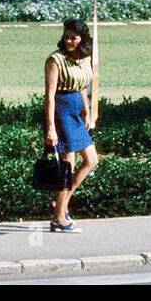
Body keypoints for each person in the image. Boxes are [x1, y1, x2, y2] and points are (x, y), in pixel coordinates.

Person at [43, 18, 99, 232]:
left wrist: (87, 112)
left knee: (92, 160)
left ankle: (61, 204)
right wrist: (51, 128)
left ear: (82, 38)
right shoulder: (55, 61)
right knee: (68, 165)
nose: (68, 41)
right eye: (66, 36)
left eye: (73, 37)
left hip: (77, 111)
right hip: (62, 111)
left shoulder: (85, 59)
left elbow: (84, 87)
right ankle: (59, 219)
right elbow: (49, 96)